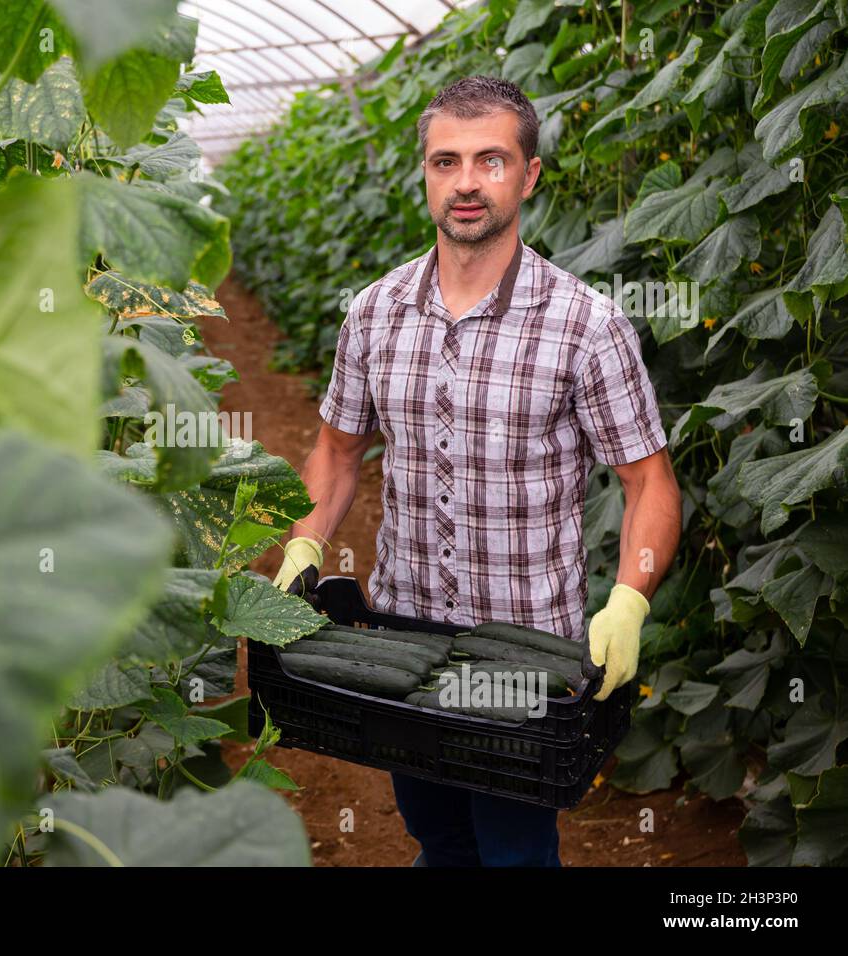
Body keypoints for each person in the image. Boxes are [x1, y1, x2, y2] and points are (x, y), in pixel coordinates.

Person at [271, 75, 682, 867]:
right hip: (402, 637)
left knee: (516, 852)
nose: (466, 182)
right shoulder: (374, 313)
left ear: (528, 176)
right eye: (446, 161)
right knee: (437, 836)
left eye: (490, 161)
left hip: (522, 656)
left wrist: (630, 599)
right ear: (425, 174)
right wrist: (305, 544)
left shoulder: (587, 326)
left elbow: (649, 482)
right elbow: (336, 449)